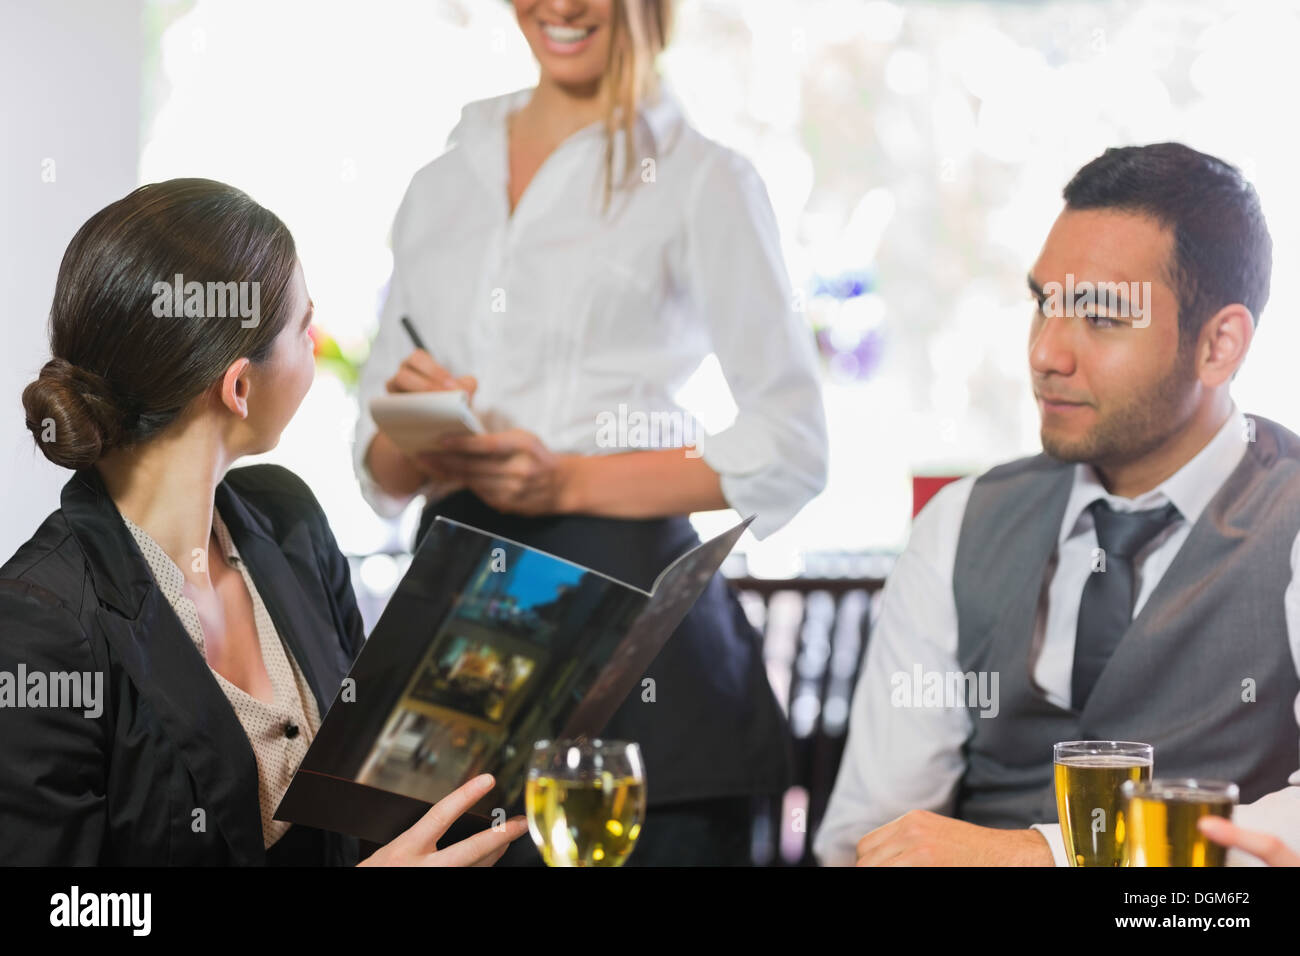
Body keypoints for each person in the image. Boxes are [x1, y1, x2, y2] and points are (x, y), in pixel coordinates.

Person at [353, 0, 828, 865]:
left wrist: (564, 481)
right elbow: (377, 467)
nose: (561, 6)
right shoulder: (441, 182)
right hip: (456, 618)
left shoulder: (703, 177)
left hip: (636, 612)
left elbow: (792, 442)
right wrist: (422, 437)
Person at [0, 178, 529, 865]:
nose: (317, 339)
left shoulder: (290, 519)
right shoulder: (40, 626)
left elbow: (367, 791)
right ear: (239, 387)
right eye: (303, 325)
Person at [813, 142, 1300, 866]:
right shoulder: (959, 525)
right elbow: (873, 830)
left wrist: (1045, 855)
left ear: (1219, 345)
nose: (1046, 353)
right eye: (1044, 304)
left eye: (1101, 317)